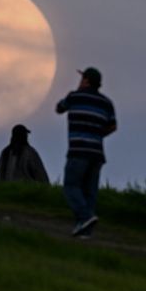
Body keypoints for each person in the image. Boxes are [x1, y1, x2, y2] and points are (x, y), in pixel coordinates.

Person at [55, 66, 117, 237]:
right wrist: (97, 135)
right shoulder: (106, 103)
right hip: (97, 153)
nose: (80, 81)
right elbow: (113, 126)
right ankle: (85, 230)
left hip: (78, 151)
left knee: (71, 186)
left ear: (87, 81)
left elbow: (59, 108)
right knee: (90, 191)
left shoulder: (74, 97)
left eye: (82, 78)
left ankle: (85, 217)